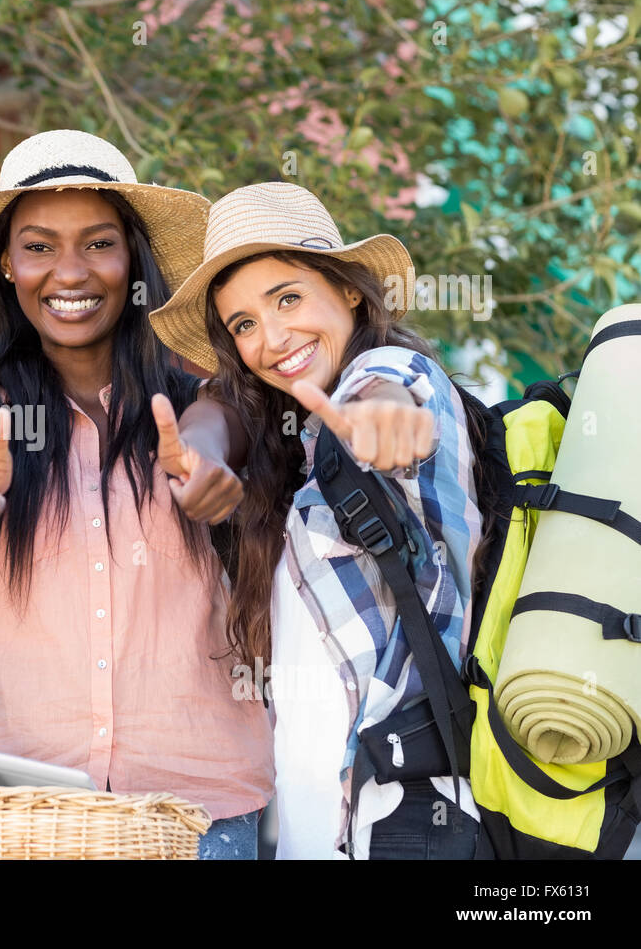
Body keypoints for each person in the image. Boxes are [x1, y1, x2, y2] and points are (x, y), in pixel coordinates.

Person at [0, 130, 275, 859]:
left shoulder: (207, 402)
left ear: (135, 261)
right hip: (29, 813)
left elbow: (215, 427)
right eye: (39, 247)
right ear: (7, 268)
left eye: (99, 244)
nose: (69, 272)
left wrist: (202, 463)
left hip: (202, 818)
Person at [149, 181, 486, 858]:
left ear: (350, 291)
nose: (272, 338)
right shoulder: (302, 453)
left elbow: (393, 389)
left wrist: (385, 419)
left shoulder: (391, 372)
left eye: (289, 298)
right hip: (325, 825)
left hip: (404, 818)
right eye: (243, 324)